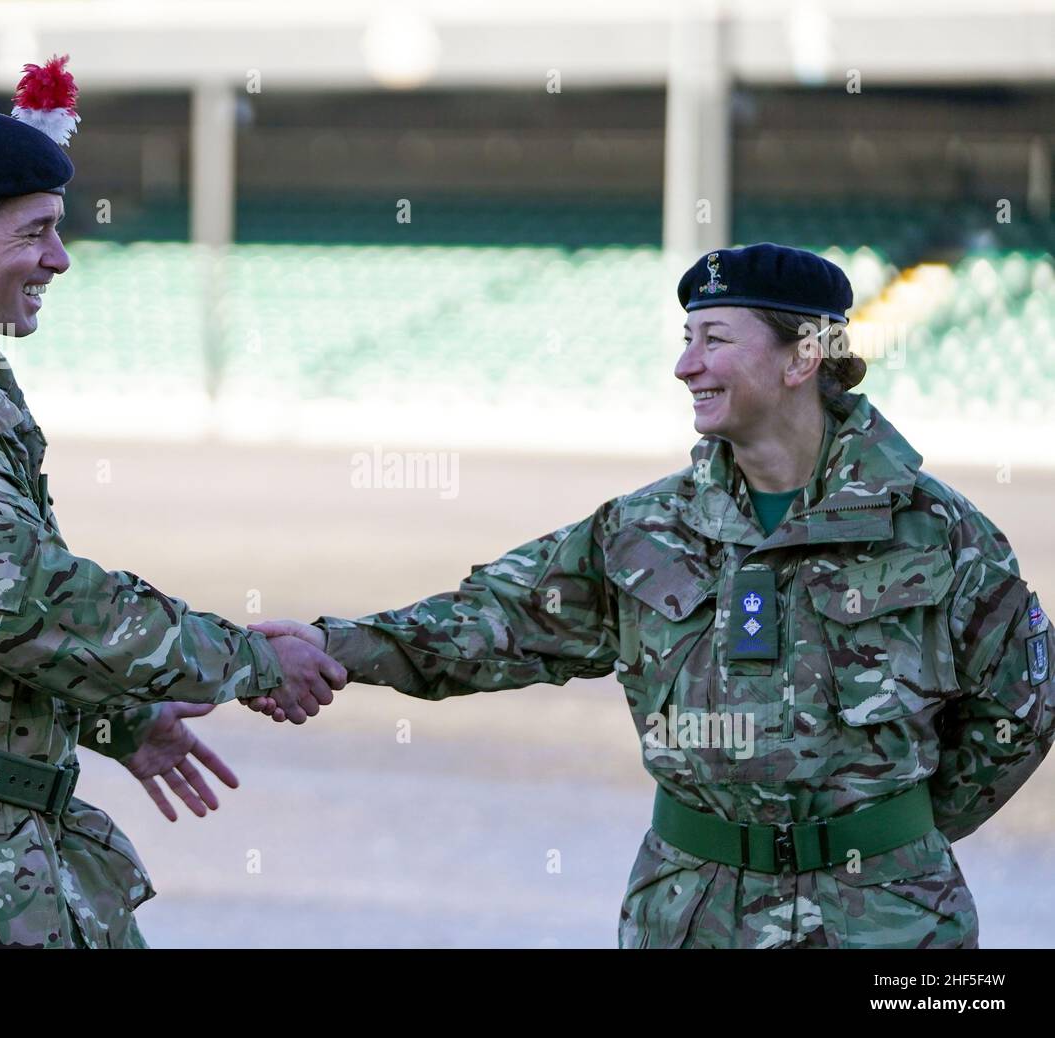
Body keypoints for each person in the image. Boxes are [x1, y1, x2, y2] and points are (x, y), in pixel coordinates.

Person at [251, 242, 1055, 948]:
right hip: (689, 915)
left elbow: (1022, 706)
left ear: (802, 356)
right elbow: (496, 620)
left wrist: (890, 836)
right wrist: (335, 647)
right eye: (685, 340)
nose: (685, 365)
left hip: (891, 920)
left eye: (714, 340)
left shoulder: (935, 530)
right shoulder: (642, 531)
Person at [0, 57, 345, 949]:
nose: (58, 258)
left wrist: (119, 718)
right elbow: (34, 604)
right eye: (36, 233)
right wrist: (248, 660)